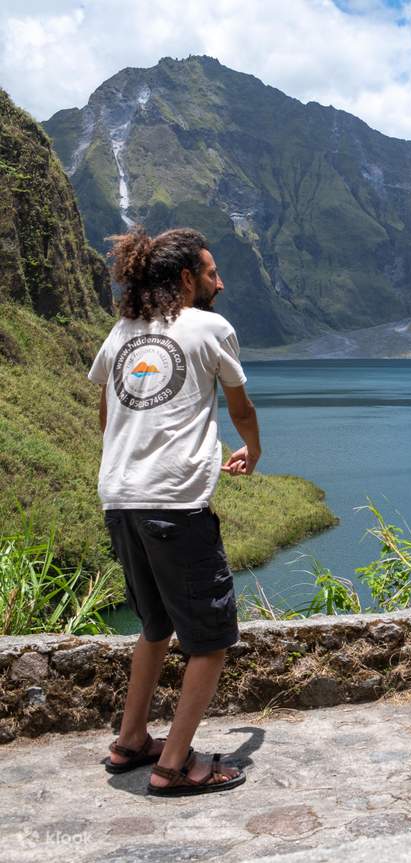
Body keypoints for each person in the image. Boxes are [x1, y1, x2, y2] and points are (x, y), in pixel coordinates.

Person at [93, 227, 259, 797]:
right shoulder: (211, 327)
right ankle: (174, 766)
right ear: (187, 279)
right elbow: (240, 405)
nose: (221, 282)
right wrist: (252, 451)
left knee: (156, 625)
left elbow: (107, 416)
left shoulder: (122, 332)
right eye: (212, 273)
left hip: (120, 497)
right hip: (175, 504)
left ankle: (130, 740)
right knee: (210, 640)